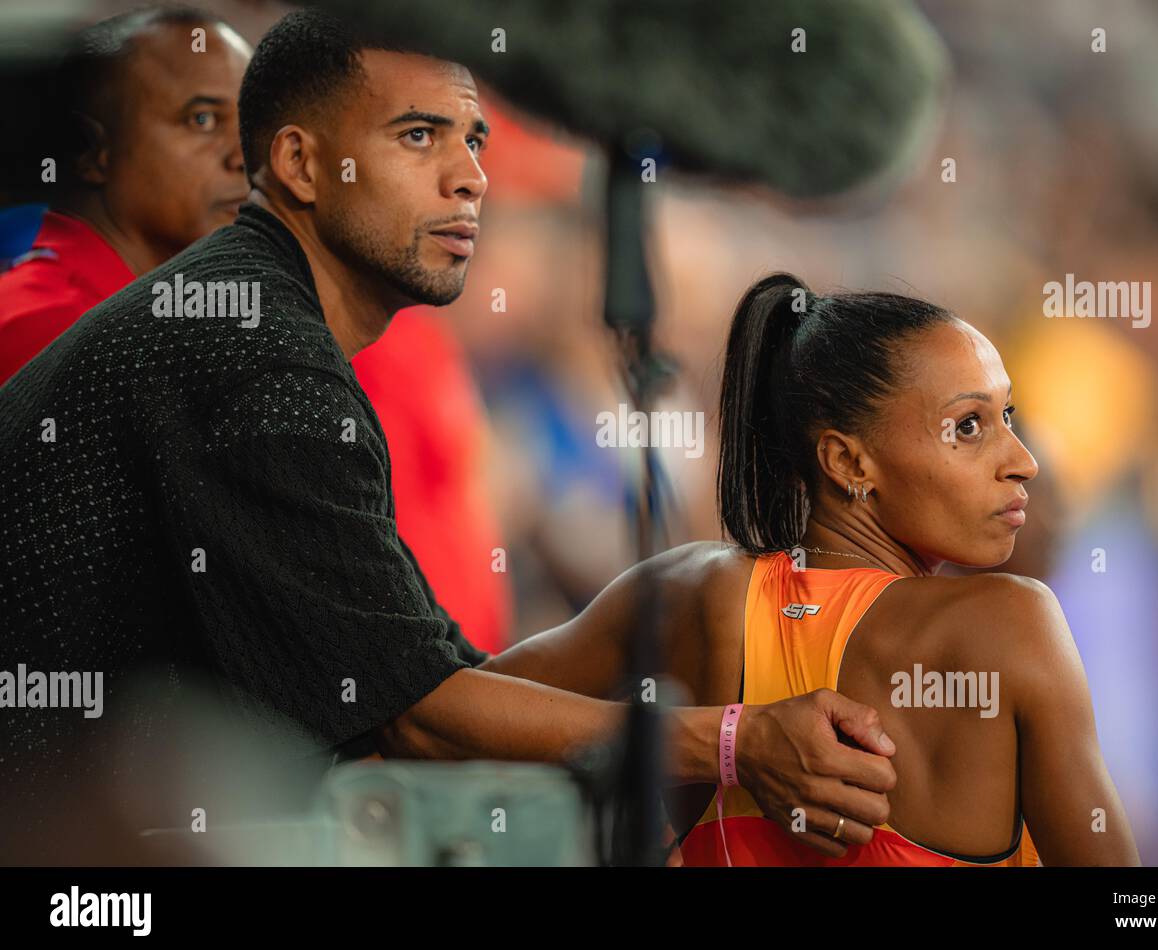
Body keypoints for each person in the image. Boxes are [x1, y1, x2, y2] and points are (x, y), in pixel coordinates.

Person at [0, 11, 894, 858]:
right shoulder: (258, 356)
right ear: (302, 165)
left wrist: (643, 606)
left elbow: (405, 676)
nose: (470, 176)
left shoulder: (265, 321)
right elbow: (416, 719)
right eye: (419, 136)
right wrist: (734, 742)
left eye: (474, 140)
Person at [481, 274, 1142, 866]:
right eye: (968, 426)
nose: (1022, 460)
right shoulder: (1012, 622)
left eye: (1006, 416)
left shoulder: (692, 592)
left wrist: (705, 745)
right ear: (848, 463)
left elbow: (432, 716)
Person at [0, 6, 251, 384]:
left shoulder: (199, 308)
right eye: (202, 119)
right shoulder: (47, 327)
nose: (245, 156)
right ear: (91, 150)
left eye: (252, 120)